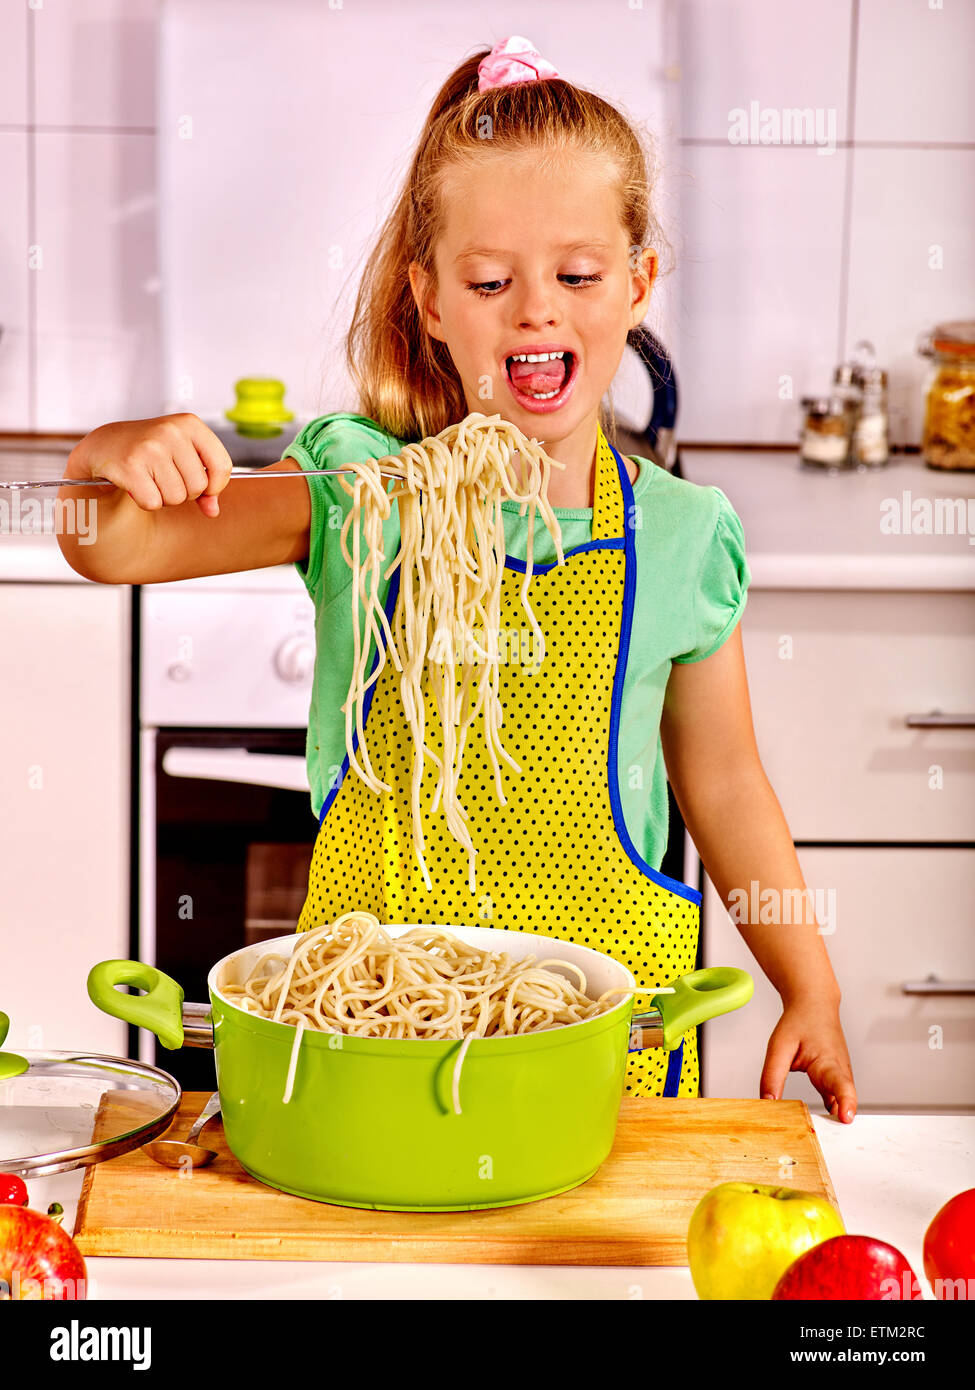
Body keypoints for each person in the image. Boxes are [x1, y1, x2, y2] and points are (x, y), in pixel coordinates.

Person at [58, 36, 856, 1118]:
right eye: (490, 281)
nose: (537, 309)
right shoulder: (366, 499)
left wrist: (807, 982)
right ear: (430, 301)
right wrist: (105, 455)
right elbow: (106, 544)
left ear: (637, 283)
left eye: (578, 275)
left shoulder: (680, 536)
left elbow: (725, 784)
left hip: (596, 1072)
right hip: (369, 1050)